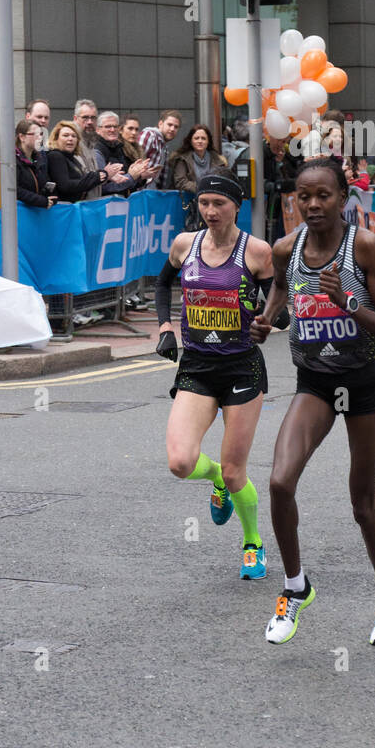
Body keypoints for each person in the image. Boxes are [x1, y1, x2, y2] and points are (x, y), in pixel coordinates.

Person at [251, 158, 375, 647]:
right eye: (304, 196)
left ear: (344, 197)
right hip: (313, 382)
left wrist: (349, 305)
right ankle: (296, 589)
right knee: (278, 482)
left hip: (362, 385)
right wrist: (267, 319)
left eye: (324, 196)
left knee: (363, 506)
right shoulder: (284, 248)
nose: (313, 205)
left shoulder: (364, 246)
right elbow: (279, 286)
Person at [155, 174, 279, 581]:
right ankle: (216, 484)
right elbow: (162, 281)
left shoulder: (256, 252)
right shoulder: (184, 244)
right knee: (179, 462)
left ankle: (252, 542)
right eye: (204, 202)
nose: (210, 211)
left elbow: (280, 305)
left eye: (218, 204)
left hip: (242, 367)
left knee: (234, 469)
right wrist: (165, 327)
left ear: (235, 207)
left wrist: (267, 320)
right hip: (197, 366)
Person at [47, 120, 122, 201]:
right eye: (65, 135)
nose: (70, 139)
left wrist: (102, 175)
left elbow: (83, 179)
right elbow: (65, 186)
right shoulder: (55, 156)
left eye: (74, 136)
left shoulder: (73, 158)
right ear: (56, 139)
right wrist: (98, 176)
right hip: (65, 210)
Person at [95, 112, 156, 193]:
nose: (112, 130)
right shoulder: (97, 151)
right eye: (108, 127)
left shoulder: (118, 147)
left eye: (115, 126)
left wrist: (139, 176)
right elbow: (101, 189)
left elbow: (128, 184)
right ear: (98, 130)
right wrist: (131, 177)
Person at [170, 123, 228, 193]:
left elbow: (224, 181)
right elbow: (180, 182)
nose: (200, 141)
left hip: (213, 199)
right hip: (190, 200)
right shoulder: (182, 160)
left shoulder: (219, 160)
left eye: (203, 138)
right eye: (196, 138)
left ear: (208, 141)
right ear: (191, 141)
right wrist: (202, 187)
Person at [15, 120, 57, 209]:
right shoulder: (12, 160)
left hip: (35, 212)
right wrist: (40, 200)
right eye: (35, 134)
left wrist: (49, 196)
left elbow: (42, 184)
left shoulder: (39, 159)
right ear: (22, 137)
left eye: (41, 134)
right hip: (19, 213)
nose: (40, 138)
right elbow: (14, 190)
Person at [140, 111, 182, 189]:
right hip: (139, 191)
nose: (172, 129)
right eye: (169, 125)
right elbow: (134, 161)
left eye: (176, 127)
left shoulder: (164, 147)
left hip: (151, 192)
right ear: (160, 124)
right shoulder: (150, 135)